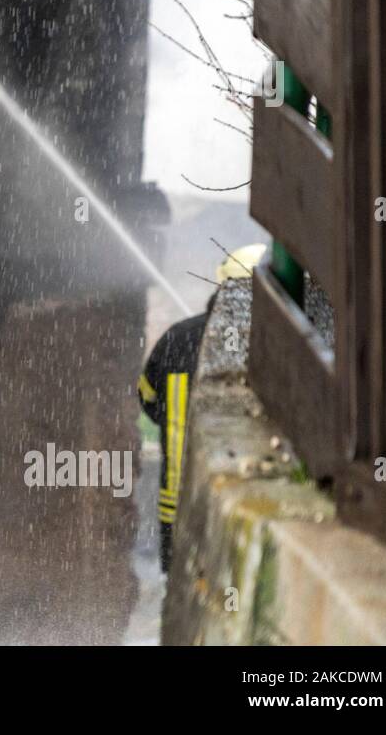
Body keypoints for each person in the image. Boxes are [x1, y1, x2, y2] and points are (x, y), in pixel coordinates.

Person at [138, 243, 265, 571]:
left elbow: (147, 398)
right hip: (232, 501)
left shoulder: (176, 337)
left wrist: (171, 420)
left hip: (175, 501)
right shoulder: (264, 345)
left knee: (179, 584)